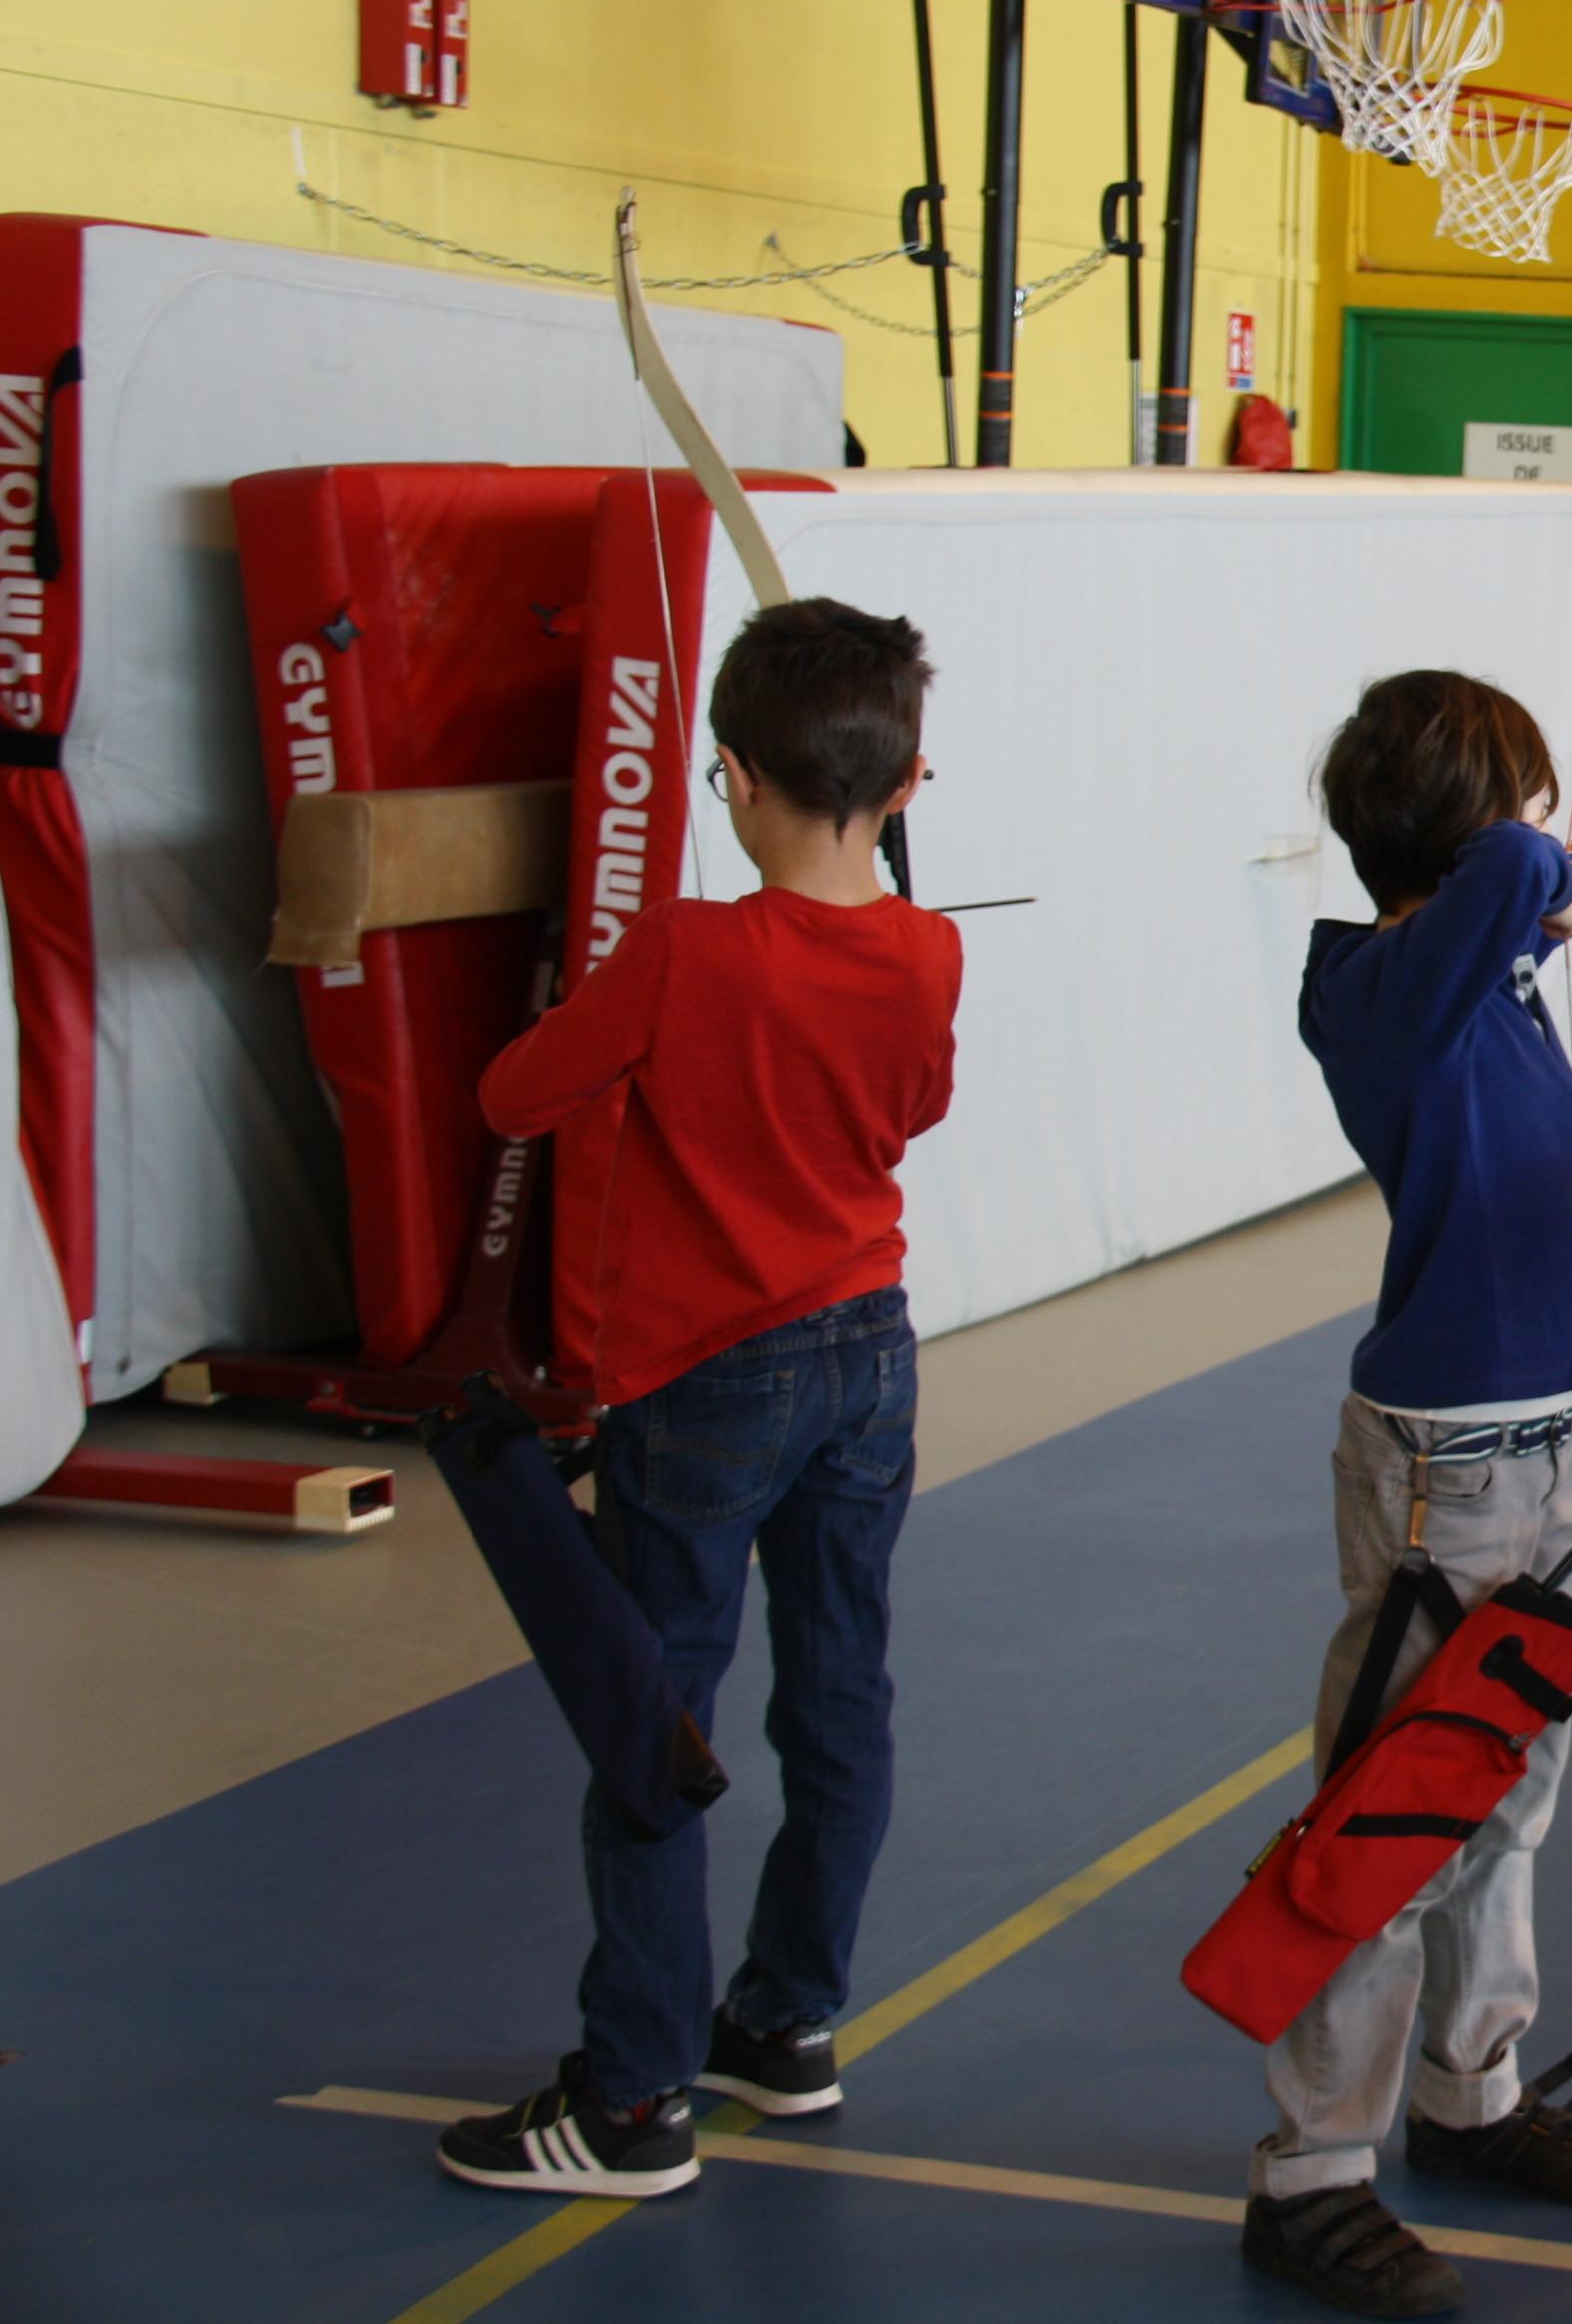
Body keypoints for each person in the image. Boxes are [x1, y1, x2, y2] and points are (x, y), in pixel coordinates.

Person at [437, 599, 961, 2198]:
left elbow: (512, 1092)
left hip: (705, 1383)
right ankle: (784, 2023)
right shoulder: (928, 945)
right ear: (912, 785)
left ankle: (634, 2096)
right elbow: (913, 1107)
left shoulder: (681, 947)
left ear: (728, 775)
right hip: (869, 1350)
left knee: (649, 1721)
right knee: (839, 1698)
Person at [1247, 670, 1572, 2320]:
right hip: (1443, 1478)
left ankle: (1470, 2093)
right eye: (1527, 801)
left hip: (1558, 1444)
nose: (1551, 830)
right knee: (1389, 1817)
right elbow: (1541, 878)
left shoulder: (1484, 960)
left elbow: (1554, 884)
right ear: (1470, 843)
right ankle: (1313, 2174)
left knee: (1509, 1790)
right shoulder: (1383, 989)